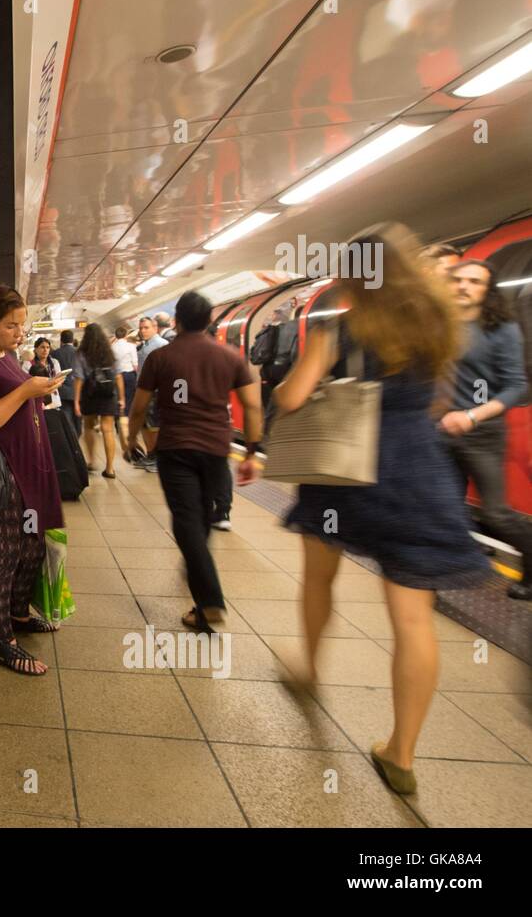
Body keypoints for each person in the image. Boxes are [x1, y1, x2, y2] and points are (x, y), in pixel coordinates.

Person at [271, 225, 492, 796]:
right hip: (418, 478)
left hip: (346, 477)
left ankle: (310, 669)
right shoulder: (438, 326)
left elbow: (292, 398)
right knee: (413, 620)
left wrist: (285, 390)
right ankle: (402, 752)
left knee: (320, 577)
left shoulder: (338, 328)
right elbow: (439, 400)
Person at [127, 292, 262, 632]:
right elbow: (253, 406)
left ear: (177, 321)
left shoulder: (160, 357)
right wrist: (250, 452)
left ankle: (210, 600)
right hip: (217, 448)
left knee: (187, 520)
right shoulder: (230, 357)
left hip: (176, 449)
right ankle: (200, 595)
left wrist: (131, 439)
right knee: (201, 517)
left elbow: (140, 406)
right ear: (209, 322)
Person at [0, 287, 67, 676]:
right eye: (10, 325)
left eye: (21, 324)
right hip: (0, 479)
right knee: (3, 557)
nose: (20, 333)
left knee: (31, 550)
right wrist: (25, 391)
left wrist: (39, 390)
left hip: (27, 473)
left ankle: (19, 615)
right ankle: (2, 641)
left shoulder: (4, 355)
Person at [438, 258, 532, 601]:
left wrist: (472, 416)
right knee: (443, 505)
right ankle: (441, 573)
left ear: (486, 291)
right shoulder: (437, 324)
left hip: (482, 433)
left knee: (495, 512)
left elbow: (516, 387)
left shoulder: (500, 328)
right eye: (458, 279)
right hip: (438, 431)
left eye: (475, 281)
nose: (464, 286)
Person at [72, 323, 124, 478]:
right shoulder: (109, 352)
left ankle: (92, 460)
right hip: (109, 394)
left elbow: (79, 378)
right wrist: (121, 398)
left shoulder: (81, 353)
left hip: (91, 394)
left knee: (88, 426)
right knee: (107, 429)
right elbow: (118, 376)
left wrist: (76, 401)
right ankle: (110, 468)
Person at [132, 316, 169, 471]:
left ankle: (157, 458)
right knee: (146, 425)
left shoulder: (161, 345)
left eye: (146, 327)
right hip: (145, 390)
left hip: (155, 391)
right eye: (141, 328)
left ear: (155, 327)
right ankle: (150, 455)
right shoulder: (145, 345)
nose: (142, 331)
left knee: (154, 426)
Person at [111, 324, 139, 457]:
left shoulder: (112, 347)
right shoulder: (131, 346)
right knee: (129, 399)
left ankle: (119, 420)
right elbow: (135, 364)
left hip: (117, 375)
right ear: (126, 334)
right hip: (129, 375)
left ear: (116, 335)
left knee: (119, 398)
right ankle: (127, 420)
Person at [53, 329, 79, 436]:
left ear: (61, 340)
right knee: (78, 417)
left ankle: (72, 439)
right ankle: (78, 434)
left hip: (63, 389)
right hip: (78, 390)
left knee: (67, 416)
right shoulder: (79, 352)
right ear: (72, 340)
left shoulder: (55, 353)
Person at [23, 336, 62, 409]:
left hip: (54, 401)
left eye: (47, 347)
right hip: (36, 400)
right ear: (36, 349)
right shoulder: (28, 364)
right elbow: (25, 383)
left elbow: (59, 380)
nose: (45, 350)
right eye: (42, 347)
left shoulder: (54, 362)